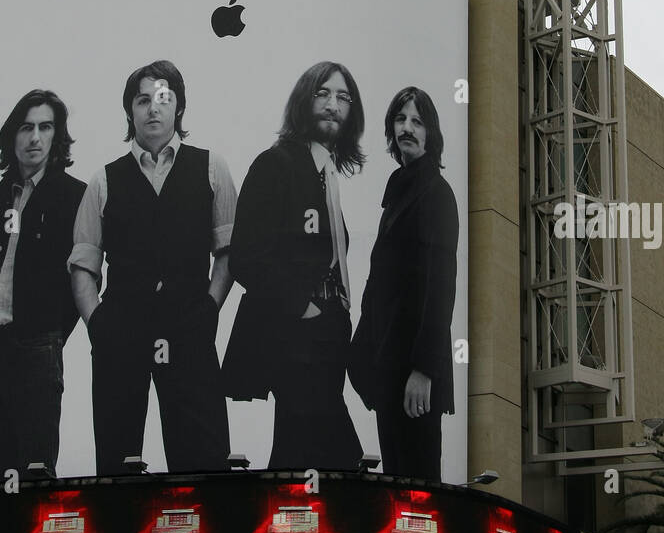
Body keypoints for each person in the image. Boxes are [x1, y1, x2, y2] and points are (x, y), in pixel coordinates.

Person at [68, 61, 235, 475]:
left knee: (203, 464)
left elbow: (228, 251)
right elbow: (83, 264)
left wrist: (209, 308)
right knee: (116, 462)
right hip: (120, 331)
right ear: (130, 111)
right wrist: (98, 323)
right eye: (142, 100)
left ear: (179, 107)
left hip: (190, 327)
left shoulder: (212, 166)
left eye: (163, 98)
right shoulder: (103, 181)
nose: (153, 109)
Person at [222, 61, 365, 469]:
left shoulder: (329, 177)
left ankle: (282, 529)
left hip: (331, 328)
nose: (333, 105)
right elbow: (246, 256)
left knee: (299, 451)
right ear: (304, 100)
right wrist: (303, 307)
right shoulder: (277, 164)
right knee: (337, 455)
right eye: (323, 93)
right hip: (296, 331)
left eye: (343, 97)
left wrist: (336, 314)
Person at [348, 87, 458, 480]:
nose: (407, 128)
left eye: (417, 121)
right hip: (389, 371)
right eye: (400, 119)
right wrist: (362, 358)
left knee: (418, 497)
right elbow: (379, 284)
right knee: (397, 484)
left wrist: (424, 370)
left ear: (431, 134)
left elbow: (440, 289)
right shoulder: (398, 192)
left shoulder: (437, 194)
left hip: (414, 377)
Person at [0, 89, 85, 482]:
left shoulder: (74, 196)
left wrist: (51, 334)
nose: (35, 137)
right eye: (26, 127)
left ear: (56, 137)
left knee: (36, 471)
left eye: (45, 127)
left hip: (38, 344)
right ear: (13, 137)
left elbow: (84, 274)